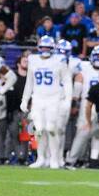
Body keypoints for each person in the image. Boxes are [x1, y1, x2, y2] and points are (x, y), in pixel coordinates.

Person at [20, 35, 71, 169]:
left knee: (51, 129)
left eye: (48, 48)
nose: (45, 50)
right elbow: (29, 82)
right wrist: (25, 99)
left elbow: (66, 81)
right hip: (38, 98)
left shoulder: (59, 60)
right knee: (39, 130)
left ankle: (54, 159)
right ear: (39, 47)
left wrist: (67, 99)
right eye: (43, 47)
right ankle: (41, 158)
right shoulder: (33, 59)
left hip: (53, 98)